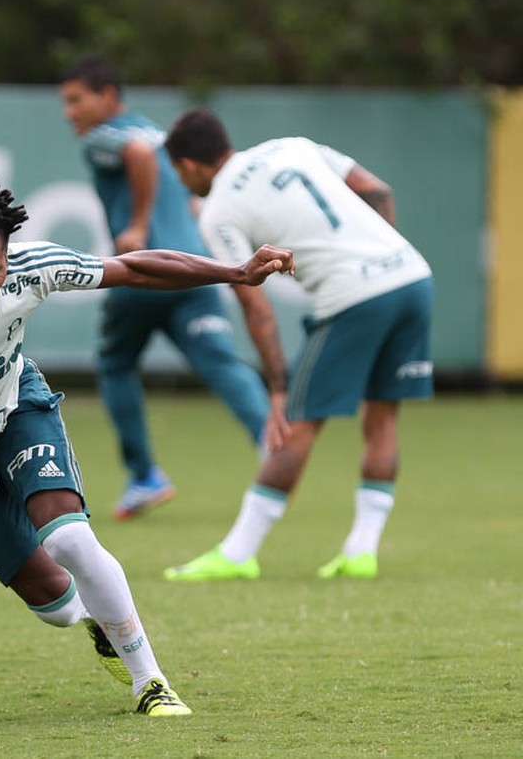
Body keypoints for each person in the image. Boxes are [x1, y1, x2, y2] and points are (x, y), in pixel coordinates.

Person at [0, 178, 295, 715]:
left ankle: (150, 683)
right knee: (58, 607)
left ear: (7, 256)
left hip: (15, 408)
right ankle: (95, 620)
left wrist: (236, 272)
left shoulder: (33, 267)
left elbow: (134, 268)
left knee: (69, 539)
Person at [161, 107, 434, 581]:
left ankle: (238, 554)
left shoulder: (218, 210)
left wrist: (278, 389)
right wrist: (379, 255)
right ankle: (362, 551)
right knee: (383, 417)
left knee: (294, 427)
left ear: (188, 165)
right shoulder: (293, 146)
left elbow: (256, 307)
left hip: (354, 297)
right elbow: (377, 191)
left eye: (180, 174)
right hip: (412, 276)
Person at [58, 57, 269, 520]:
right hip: (195, 272)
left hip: (146, 273)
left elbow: (134, 154)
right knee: (221, 362)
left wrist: (137, 224)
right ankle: (273, 446)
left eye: (76, 100)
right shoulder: (162, 136)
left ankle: (144, 477)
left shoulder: (103, 138)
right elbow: (191, 200)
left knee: (116, 364)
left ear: (108, 96)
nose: (69, 112)